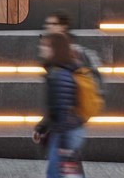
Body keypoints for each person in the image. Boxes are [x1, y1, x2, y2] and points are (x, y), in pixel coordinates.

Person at [33, 32, 84, 178]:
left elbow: (61, 109)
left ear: (54, 49)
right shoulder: (61, 71)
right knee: (67, 173)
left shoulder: (59, 75)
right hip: (67, 131)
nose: (41, 49)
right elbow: (54, 109)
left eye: (44, 46)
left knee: (57, 173)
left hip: (64, 133)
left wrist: (64, 144)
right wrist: (41, 127)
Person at [44, 10, 106, 98]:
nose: (49, 27)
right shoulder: (52, 53)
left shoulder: (77, 52)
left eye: (53, 24)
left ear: (63, 27)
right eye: (47, 24)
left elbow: (96, 80)